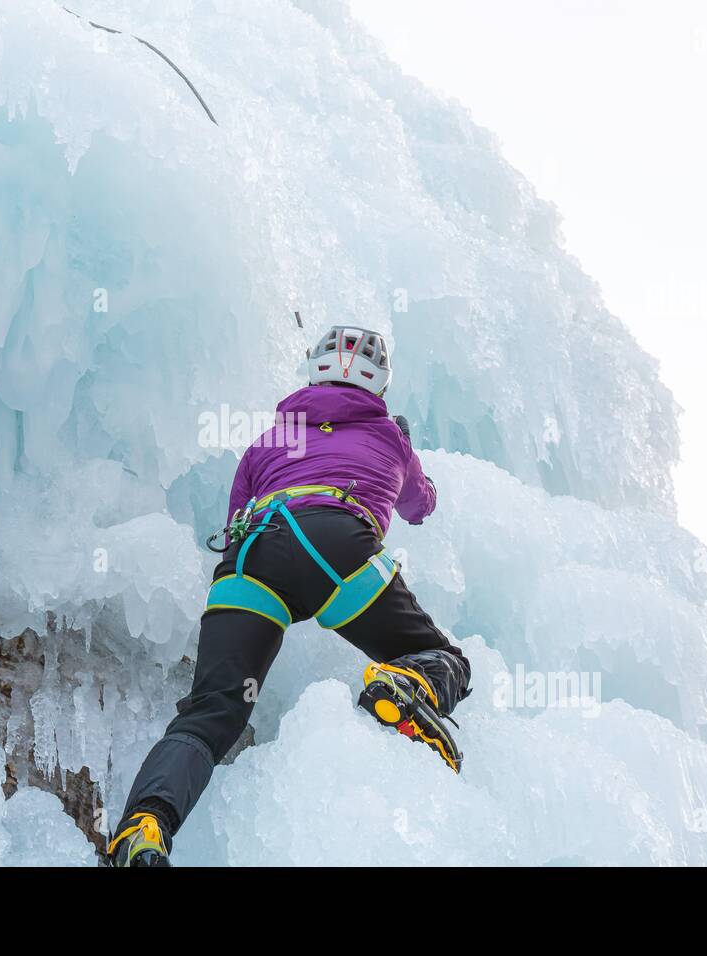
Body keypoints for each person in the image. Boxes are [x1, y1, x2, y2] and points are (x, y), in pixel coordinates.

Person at [108, 326, 472, 866]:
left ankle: (145, 826)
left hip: (251, 557)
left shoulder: (270, 440)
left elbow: (235, 516)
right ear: (380, 382)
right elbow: (421, 505)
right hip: (336, 543)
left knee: (211, 713)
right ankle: (404, 682)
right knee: (446, 659)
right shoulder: (390, 436)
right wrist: (407, 450)